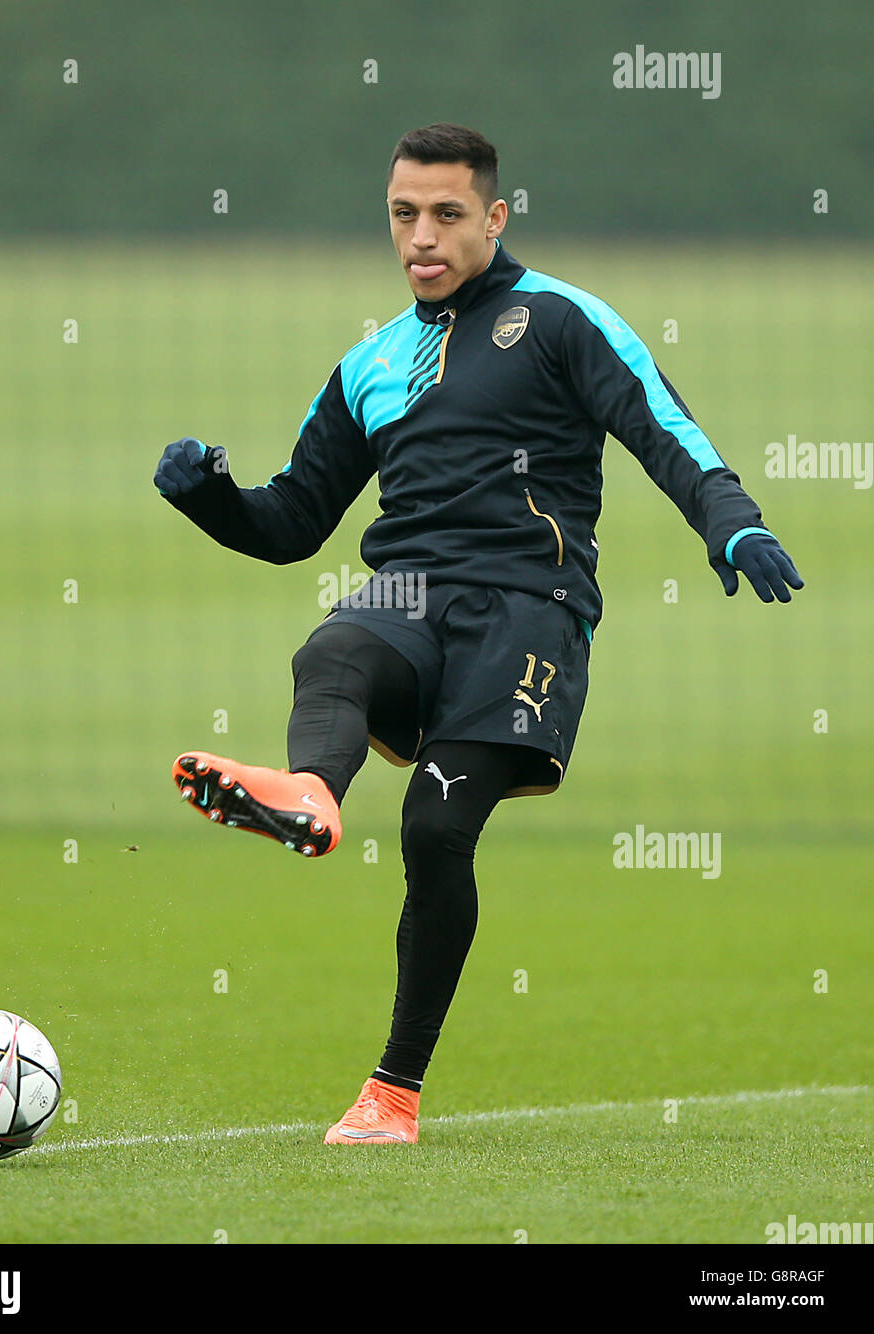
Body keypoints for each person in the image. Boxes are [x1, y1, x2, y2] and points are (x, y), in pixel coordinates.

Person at [154, 123, 803, 1145]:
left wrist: (733, 520)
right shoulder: (371, 361)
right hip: (408, 595)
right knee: (333, 647)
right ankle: (310, 792)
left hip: (527, 612)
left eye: (447, 214)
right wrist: (207, 498)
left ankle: (391, 1095)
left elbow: (664, 430)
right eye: (404, 214)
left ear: (493, 217)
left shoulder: (561, 319)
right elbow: (291, 522)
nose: (423, 235)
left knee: (435, 830)